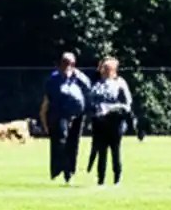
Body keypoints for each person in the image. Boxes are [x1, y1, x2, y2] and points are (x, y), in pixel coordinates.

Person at [39, 52, 92, 184]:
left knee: (73, 143)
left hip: (78, 114)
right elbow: (47, 99)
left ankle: (69, 172)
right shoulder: (54, 79)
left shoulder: (79, 77)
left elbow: (88, 90)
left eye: (70, 63)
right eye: (65, 62)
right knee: (60, 141)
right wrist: (44, 118)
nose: (67, 66)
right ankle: (57, 170)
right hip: (59, 114)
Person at [86, 57, 138, 186]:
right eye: (103, 68)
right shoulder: (97, 83)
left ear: (113, 69)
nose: (103, 70)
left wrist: (110, 108)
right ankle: (101, 179)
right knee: (101, 152)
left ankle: (117, 178)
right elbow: (91, 100)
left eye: (106, 68)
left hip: (115, 122)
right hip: (99, 122)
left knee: (115, 151)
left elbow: (127, 104)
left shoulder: (120, 83)